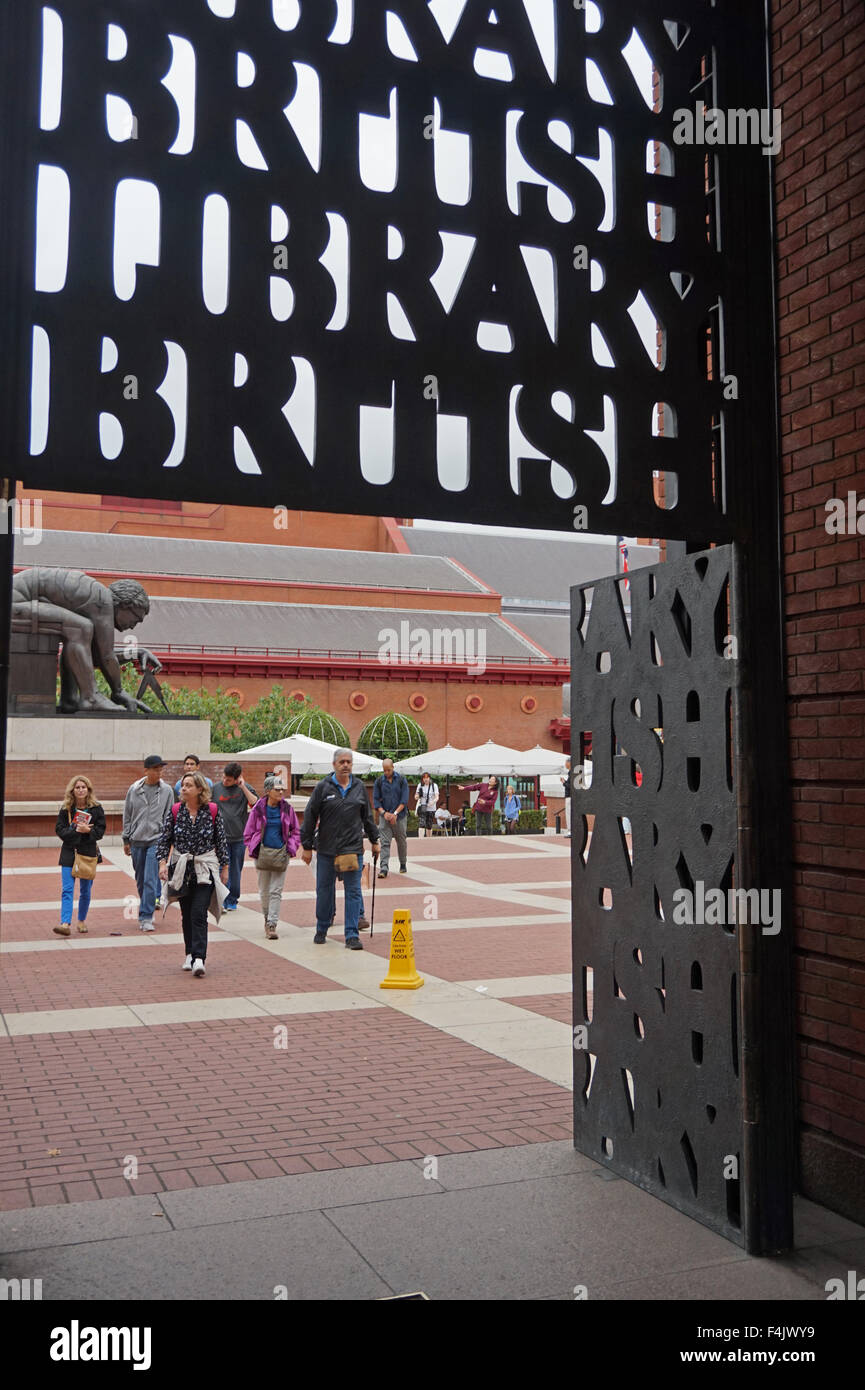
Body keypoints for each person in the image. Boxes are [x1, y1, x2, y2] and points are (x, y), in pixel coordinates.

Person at [300, 749, 380, 949]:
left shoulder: (359, 787)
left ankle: (352, 935)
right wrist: (307, 846)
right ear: (334, 764)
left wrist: (375, 840)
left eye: (349, 762)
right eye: (342, 762)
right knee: (324, 891)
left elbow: (367, 817)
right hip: (326, 850)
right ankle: (322, 927)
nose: (346, 765)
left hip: (352, 850)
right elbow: (310, 816)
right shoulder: (323, 787)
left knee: (353, 892)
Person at [156, 771, 229, 976]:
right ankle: (189, 953)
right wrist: (163, 864)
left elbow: (221, 841)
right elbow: (165, 840)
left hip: (205, 869)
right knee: (186, 914)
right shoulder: (176, 811)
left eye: (188, 785)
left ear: (199, 789)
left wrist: (225, 868)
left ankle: (199, 958)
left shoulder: (212, 811)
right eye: (183, 785)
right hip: (182, 869)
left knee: (198, 912)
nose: (183, 788)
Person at [243, 774, 301, 939]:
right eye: (277, 789)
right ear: (268, 791)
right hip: (262, 854)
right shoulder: (259, 809)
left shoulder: (287, 809)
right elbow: (248, 831)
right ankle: (266, 917)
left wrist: (290, 848)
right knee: (264, 890)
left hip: (281, 854)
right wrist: (253, 846)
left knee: (276, 890)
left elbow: (296, 831)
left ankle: (272, 923)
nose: (281, 791)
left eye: (282, 789)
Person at [123, 755, 174, 932]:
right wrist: (126, 838)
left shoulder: (167, 791)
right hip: (136, 840)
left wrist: (167, 841)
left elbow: (169, 816)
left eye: (160, 769)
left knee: (150, 879)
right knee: (140, 879)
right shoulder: (134, 789)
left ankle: (146, 916)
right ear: (146, 770)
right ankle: (148, 905)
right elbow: (127, 814)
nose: (159, 772)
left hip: (156, 840)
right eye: (155, 769)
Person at [54, 775, 106, 936]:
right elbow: (59, 830)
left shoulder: (96, 808)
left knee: (85, 890)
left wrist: (88, 830)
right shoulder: (66, 809)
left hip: (88, 853)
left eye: (84, 787)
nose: (81, 790)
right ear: (72, 790)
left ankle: (81, 920)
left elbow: (101, 831)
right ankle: (65, 923)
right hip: (69, 852)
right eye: (77, 787)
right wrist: (74, 829)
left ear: (88, 790)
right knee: (67, 889)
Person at [214, 762, 258, 910]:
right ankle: (221, 898)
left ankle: (232, 900)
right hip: (221, 837)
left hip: (239, 837)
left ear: (237, 778)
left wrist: (243, 787)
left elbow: (255, 804)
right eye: (224, 777)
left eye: (229, 779)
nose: (225, 781)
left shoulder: (244, 788)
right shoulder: (216, 789)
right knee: (222, 868)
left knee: (235, 870)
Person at [373, 757, 410, 876]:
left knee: (401, 841)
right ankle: (384, 868)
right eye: (384, 770)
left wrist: (395, 814)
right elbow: (376, 800)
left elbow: (404, 800)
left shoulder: (401, 780)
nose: (386, 773)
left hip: (399, 816)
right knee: (384, 842)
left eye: (388, 770)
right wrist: (384, 813)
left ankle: (403, 863)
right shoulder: (379, 781)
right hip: (385, 816)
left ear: (393, 767)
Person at [414, 771, 439, 837]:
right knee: (421, 823)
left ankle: (429, 839)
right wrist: (417, 796)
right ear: (422, 779)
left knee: (429, 825)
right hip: (423, 806)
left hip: (431, 808)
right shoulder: (420, 785)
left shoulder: (434, 786)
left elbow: (437, 797)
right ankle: (420, 839)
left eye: (427, 777)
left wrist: (432, 802)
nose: (426, 779)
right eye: (424, 778)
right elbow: (416, 795)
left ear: (429, 778)